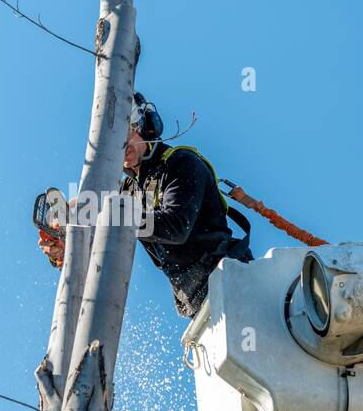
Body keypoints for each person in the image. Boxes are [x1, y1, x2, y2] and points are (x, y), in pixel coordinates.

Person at [36, 93, 254, 318]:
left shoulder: (181, 163)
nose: (121, 145)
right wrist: (66, 237)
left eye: (127, 131)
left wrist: (113, 215)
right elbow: (100, 222)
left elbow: (176, 227)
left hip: (231, 278)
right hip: (197, 302)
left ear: (144, 127)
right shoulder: (129, 190)